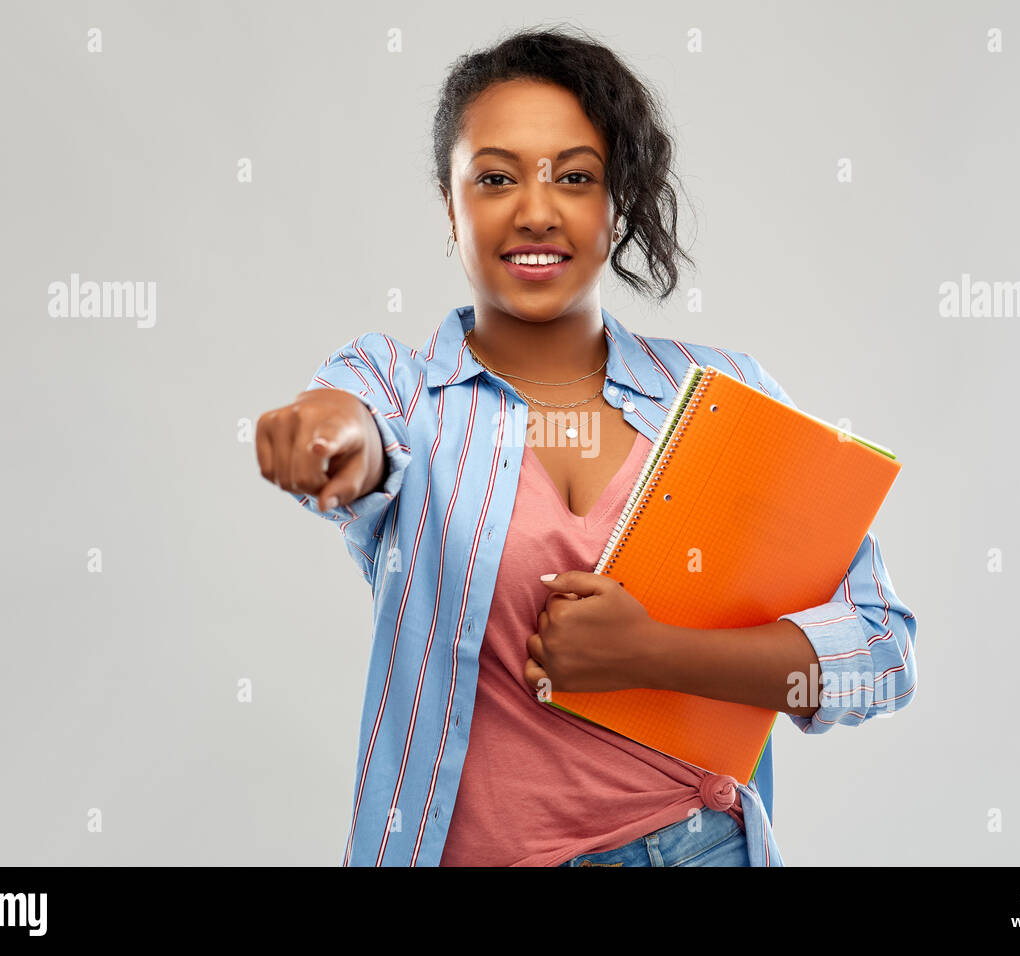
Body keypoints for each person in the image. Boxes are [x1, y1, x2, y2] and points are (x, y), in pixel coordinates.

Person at [255, 24, 917, 867]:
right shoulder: (404, 390)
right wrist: (323, 438)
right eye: (495, 178)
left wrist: (653, 654)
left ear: (617, 205)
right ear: (449, 206)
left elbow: (879, 656)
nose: (536, 210)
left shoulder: (724, 398)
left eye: (575, 177)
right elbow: (350, 425)